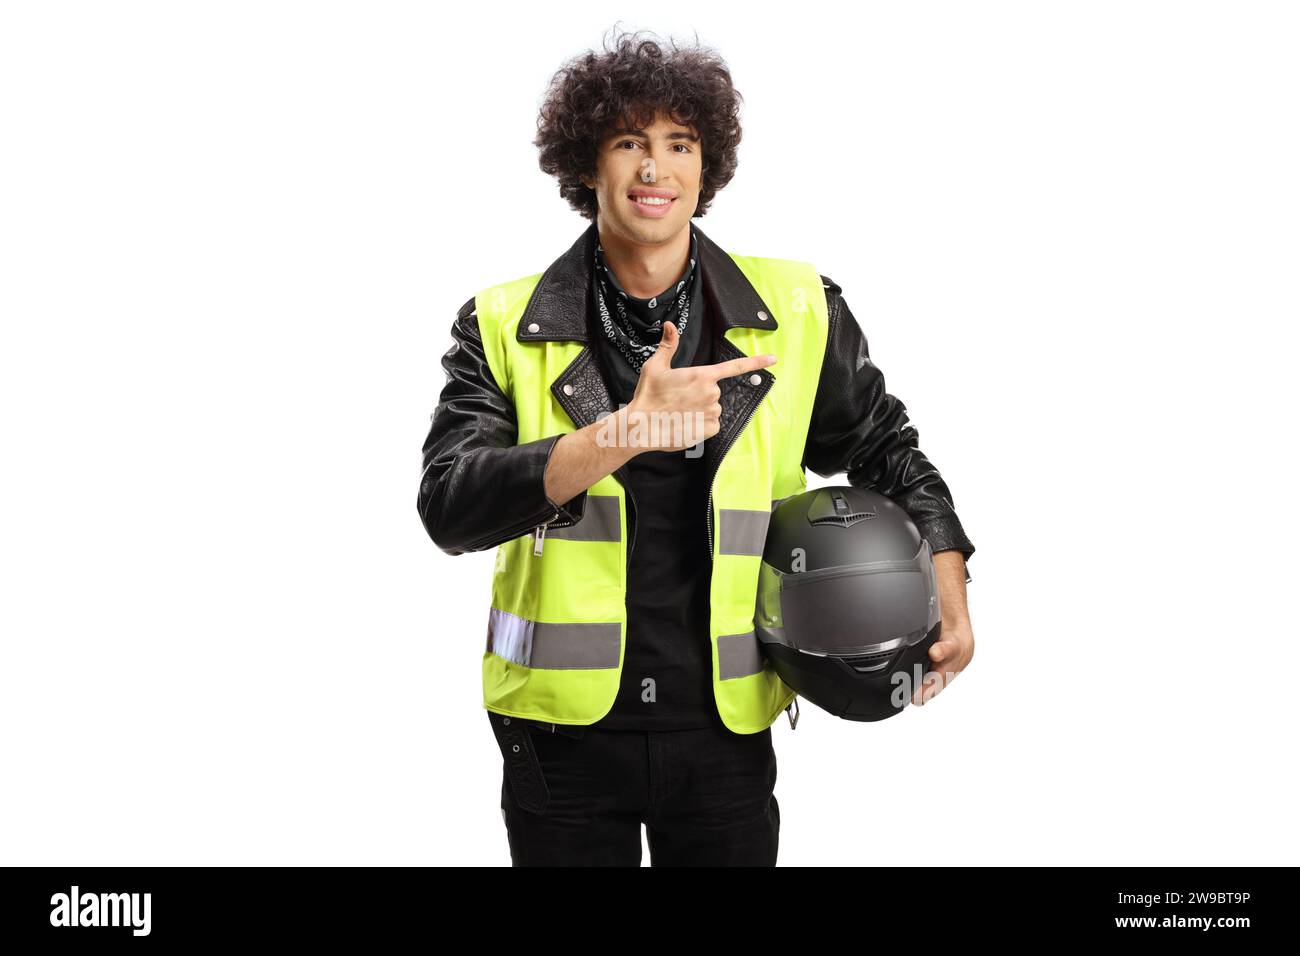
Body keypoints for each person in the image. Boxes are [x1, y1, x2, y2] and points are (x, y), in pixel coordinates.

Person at [417, 29, 977, 866]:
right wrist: (620, 434)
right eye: (628, 143)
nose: (655, 169)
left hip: (725, 726)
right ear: (586, 166)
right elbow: (451, 507)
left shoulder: (797, 308)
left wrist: (949, 585)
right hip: (560, 739)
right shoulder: (501, 322)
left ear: (705, 168)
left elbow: (889, 450)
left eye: (680, 144)